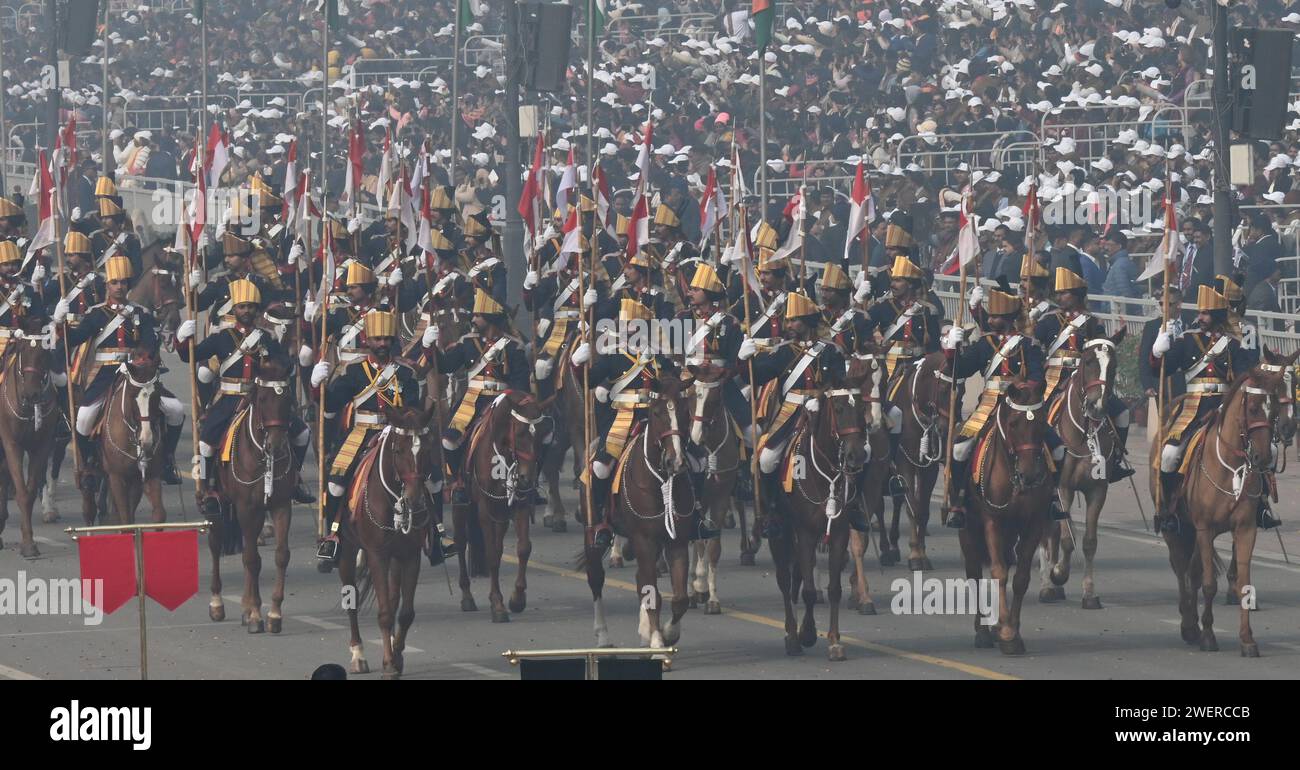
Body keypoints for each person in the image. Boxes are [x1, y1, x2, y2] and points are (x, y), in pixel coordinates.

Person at [176, 279, 311, 516]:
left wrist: (293, 362)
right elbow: (191, 357)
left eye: (250, 306)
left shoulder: (266, 338)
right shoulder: (221, 338)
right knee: (206, 441)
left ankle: (294, 478)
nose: (246, 311)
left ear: (256, 309)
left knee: (302, 433)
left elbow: (283, 363)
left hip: (261, 398)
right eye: (242, 306)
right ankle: (208, 488)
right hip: (230, 398)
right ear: (234, 310)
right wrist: (181, 340)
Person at [55, 256, 185, 491]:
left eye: (123, 282)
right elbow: (73, 339)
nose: (119, 286)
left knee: (176, 410)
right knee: (83, 418)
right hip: (105, 376)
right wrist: (59, 321)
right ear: (108, 285)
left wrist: (142, 357)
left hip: (137, 374)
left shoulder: (141, 313)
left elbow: (150, 344)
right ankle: (90, 462)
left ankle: (166, 459)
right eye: (115, 282)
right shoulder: (96, 314)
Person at [1151, 286, 1276, 530]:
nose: (1200, 317)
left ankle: (1261, 506)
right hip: (1192, 408)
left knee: (1263, 450)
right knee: (1168, 455)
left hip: (1224, 407)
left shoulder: (1233, 346)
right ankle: (1169, 509)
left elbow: (1243, 378)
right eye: (1200, 312)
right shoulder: (1187, 340)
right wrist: (1158, 351)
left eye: (1206, 313)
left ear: (1218, 315)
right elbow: (1160, 370)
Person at [941, 288, 1063, 529]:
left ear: (1007, 318)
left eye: (995, 316)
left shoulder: (1028, 345)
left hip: (1019, 406)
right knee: (959, 449)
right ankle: (959, 501)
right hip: (988, 406)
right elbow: (961, 370)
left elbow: (1039, 376)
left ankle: (1052, 498)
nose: (989, 320)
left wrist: (1024, 384)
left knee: (1057, 448)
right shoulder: (984, 345)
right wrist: (952, 350)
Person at [313, 310, 425, 563]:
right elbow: (330, 405)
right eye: (378, 339)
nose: (383, 343)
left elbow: (414, 407)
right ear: (367, 340)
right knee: (335, 483)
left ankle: (437, 534)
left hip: (398, 434)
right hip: (362, 433)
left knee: (431, 478)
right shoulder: (354, 373)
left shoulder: (405, 375)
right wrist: (315, 385)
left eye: (387, 338)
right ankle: (334, 537)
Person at [572, 298, 682, 548]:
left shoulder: (659, 359)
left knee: (691, 459)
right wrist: (578, 365)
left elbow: (674, 384)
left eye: (631, 325)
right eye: (624, 326)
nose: (626, 330)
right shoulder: (613, 358)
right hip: (622, 420)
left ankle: (693, 513)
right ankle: (602, 521)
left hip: (654, 419)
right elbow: (588, 381)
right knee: (600, 468)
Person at [741, 291, 848, 538]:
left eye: (794, 320)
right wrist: (743, 359)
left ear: (809, 322)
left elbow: (839, 381)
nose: (789, 325)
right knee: (766, 460)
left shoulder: (830, 351)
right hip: (790, 413)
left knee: (858, 454)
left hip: (824, 411)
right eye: (788, 321)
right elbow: (754, 376)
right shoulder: (783, 351)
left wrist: (820, 398)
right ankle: (772, 511)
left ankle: (855, 506)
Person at [433, 290, 532, 505]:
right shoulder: (467, 343)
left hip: (503, 402)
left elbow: (521, 385)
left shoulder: (513, 347)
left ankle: (528, 483)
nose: (473, 319)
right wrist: (430, 346)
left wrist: (511, 399)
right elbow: (444, 365)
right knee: (448, 441)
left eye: (477, 315)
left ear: (490, 318)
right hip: (472, 401)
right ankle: (458, 481)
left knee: (532, 437)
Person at [1033, 267, 1133, 481]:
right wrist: (1028, 325)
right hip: (1053, 380)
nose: (1059, 297)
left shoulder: (1093, 322)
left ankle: (1115, 459)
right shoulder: (1048, 320)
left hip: (1085, 380)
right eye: (1058, 293)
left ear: (1077, 295)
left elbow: (1101, 351)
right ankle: (1040, 459)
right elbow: (1032, 350)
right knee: (1035, 415)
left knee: (1122, 413)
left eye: (1065, 293)